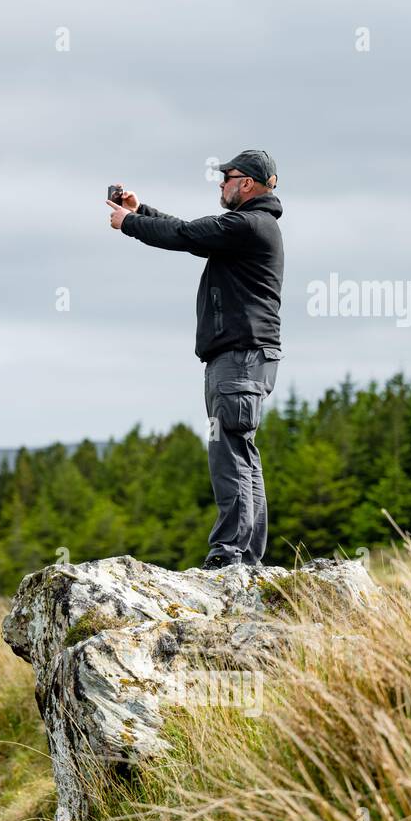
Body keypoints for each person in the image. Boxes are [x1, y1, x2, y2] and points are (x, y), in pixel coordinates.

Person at [106, 149, 284, 569]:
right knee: (240, 451)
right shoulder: (250, 226)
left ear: (247, 184)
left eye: (227, 177)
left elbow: (187, 235)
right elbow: (191, 232)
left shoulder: (249, 225)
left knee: (228, 452)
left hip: (239, 357)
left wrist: (130, 224)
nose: (220, 183)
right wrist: (141, 209)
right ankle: (246, 557)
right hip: (245, 356)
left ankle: (229, 556)